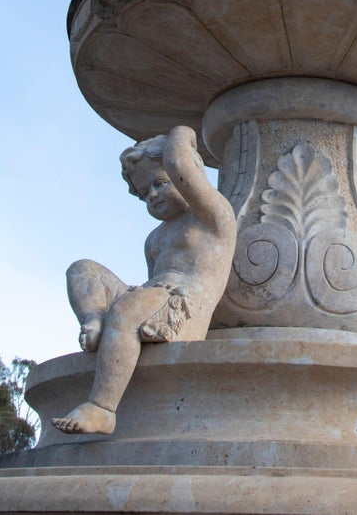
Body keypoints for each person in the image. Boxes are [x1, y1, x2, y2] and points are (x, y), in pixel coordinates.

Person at [51, 126, 236, 435]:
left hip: (186, 302)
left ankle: (102, 408)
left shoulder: (214, 217)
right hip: (149, 300)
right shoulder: (155, 239)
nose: (151, 195)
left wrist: (183, 132)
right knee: (82, 270)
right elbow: (149, 284)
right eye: (143, 194)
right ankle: (95, 320)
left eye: (159, 183)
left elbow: (179, 164)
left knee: (127, 309)